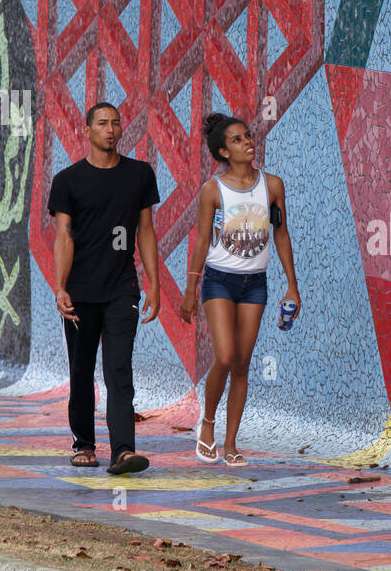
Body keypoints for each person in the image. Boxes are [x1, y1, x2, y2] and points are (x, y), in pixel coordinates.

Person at [179, 113, 299, 466]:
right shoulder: (213, 189)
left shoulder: (272, 185)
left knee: (243, 365)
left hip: (254, 284)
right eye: (237, 139)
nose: (248, 142)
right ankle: (207, 423)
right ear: (223, 151)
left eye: (248, 136)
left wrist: (292, 286)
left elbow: (281, 234)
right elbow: (202, 240)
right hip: (219, 279)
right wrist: (191, 288)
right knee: (225, 356)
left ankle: (230, 444)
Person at [49, 102, 161, 475]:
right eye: (102, 123)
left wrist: (154, 284)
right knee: (81, 370)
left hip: (121, 289)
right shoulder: (68, 180)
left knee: (118, 367)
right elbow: (64, 236)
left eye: (115, 123)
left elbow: (145, 230)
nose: (110, 129)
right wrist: (60, 286)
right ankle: (83, 443)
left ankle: (124, 450)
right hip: (80, 292)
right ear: (87, 130)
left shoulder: (139, 174)